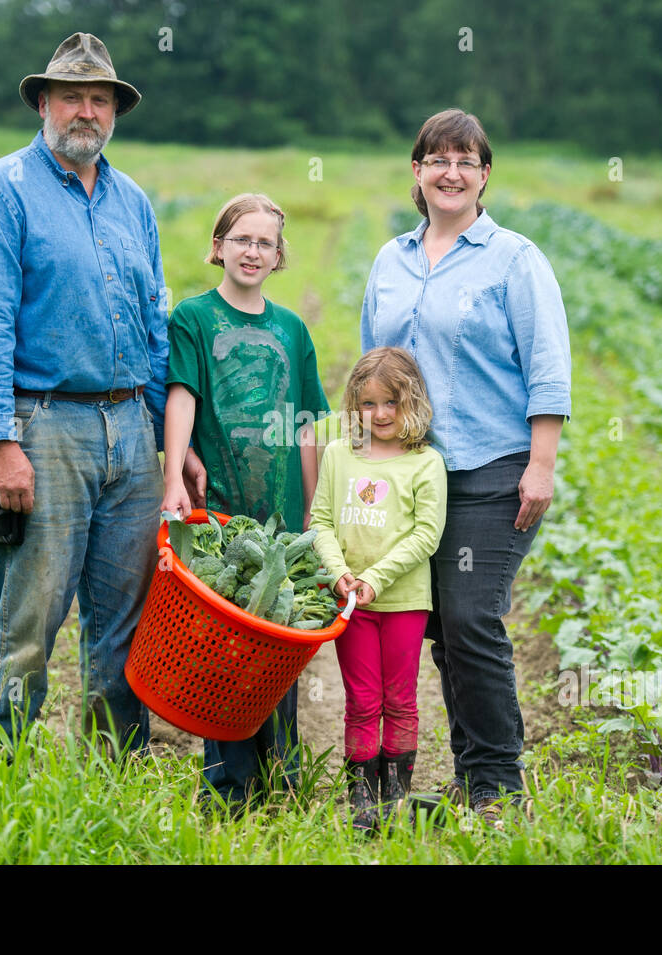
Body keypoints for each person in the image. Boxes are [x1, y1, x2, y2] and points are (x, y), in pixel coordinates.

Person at [0, 32, 205, 752]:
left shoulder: (132, 201)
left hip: (128, 426)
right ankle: (0, 765)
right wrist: (0, 441)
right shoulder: (1, 193)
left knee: (123, 614)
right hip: (43, 426)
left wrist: (167, 440)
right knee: (32, 613)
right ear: (43, 103)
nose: (86, 111)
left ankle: (112, 767)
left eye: (100, 99)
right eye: (72, 97)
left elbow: (155, 321)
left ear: (115, 111)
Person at [360, 109, 572, 823]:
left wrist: (540, 463)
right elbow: (371, 369)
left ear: (484, 177)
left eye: (467, 160)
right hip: (411, 473)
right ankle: (470, 771)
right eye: (437, 158)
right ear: (416, 172)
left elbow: (547, 366)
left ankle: (499, 784)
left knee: (472, 615)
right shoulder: (390, 260)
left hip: (491, 467)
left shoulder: (514, 258)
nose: (451, 171)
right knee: (439, 629)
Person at [161, 193, 330, 809]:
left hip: (281, 509)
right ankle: (229, 783)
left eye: (264, 242)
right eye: (241, 239)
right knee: (225, 645)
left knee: (277, 634)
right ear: (219, 247)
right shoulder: (194, 318)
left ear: (278, 254)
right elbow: (181, 395)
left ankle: (279, 771)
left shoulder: (291, 328)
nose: (252, 251)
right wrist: (174, 472)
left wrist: (317, 507)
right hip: (222, 511)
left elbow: (310, 422)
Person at [308, 347, 446, 831]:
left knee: (399, 698)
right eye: (369, 404)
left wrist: (375, 577)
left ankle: (396, 797)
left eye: (392, 402)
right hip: (352, 604)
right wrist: (339, 571)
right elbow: (321, 520)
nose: (381, 414)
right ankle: (362, 799)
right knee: (362, 700)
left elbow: (426, 535)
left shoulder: (425, 463)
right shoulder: (340, 455)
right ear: (354, 406)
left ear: (412, 403)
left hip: (404, 602)